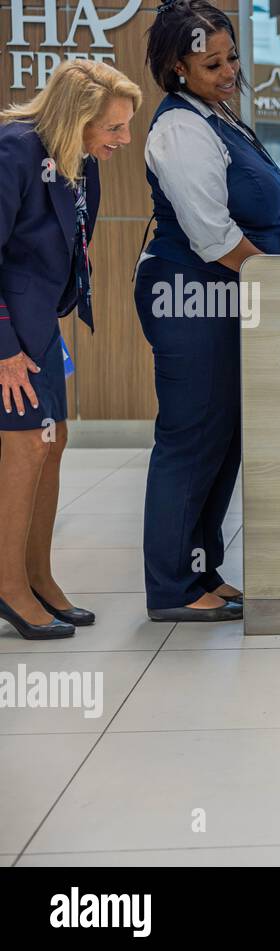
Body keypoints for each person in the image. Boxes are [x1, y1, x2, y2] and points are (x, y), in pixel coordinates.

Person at [136, 0, 280, 622]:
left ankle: (203, 569)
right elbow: (213, 235)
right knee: (191, 437)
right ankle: (172, 589)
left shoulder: (216, 115)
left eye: (231, 58)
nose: (229, 71)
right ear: (178, 68)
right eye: (212, 64)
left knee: (223, 439)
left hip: (228, 296)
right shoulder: (179, 128)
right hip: (191, 296)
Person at [0, 60, 140, 640]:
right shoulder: (13, 151)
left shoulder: (80, 160)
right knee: (26, 450)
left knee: (53, 446)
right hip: (10, 333)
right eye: (114, 127)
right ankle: (8, 586)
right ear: (78, 116)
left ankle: (38, 577)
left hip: (43, 329)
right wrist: (5, 349)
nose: (124, 139)